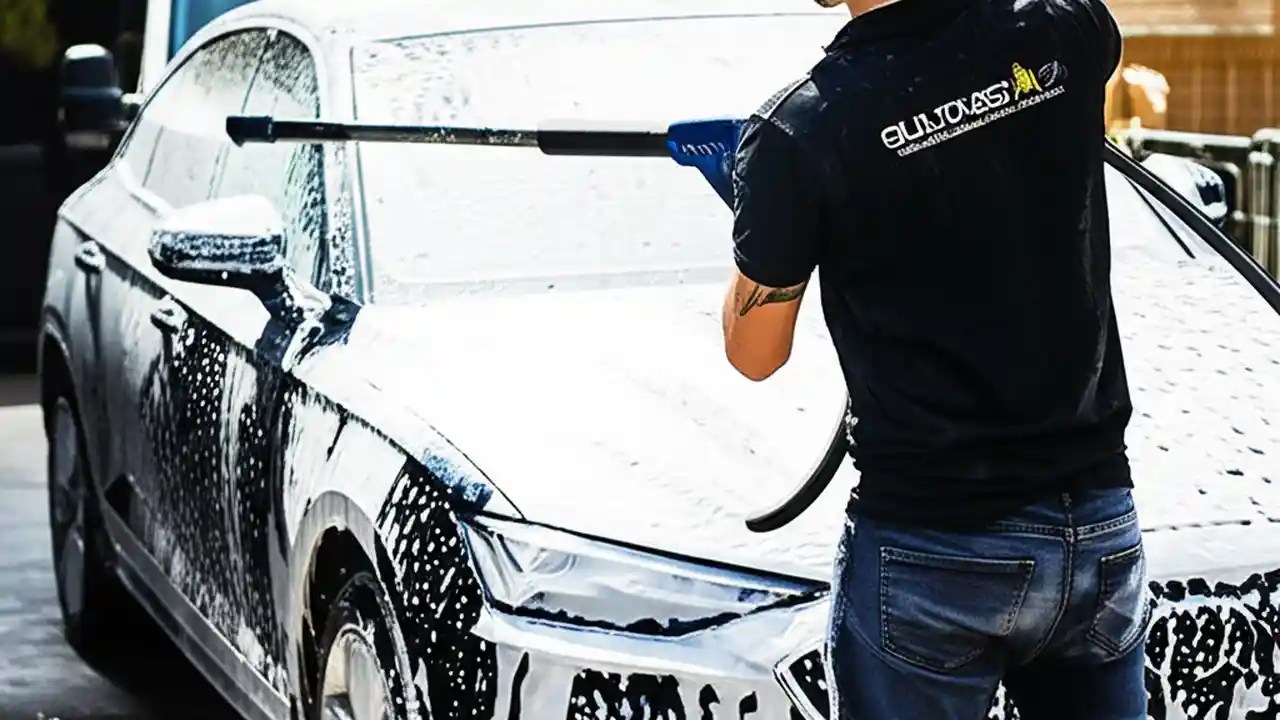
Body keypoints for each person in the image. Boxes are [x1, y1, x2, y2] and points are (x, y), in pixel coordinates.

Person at [718, 0, 1151, 717]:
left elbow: (754, 354)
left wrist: (764, 230)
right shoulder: (1061, 33)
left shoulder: (800, 131)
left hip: (931, 549)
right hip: (1098, 530)